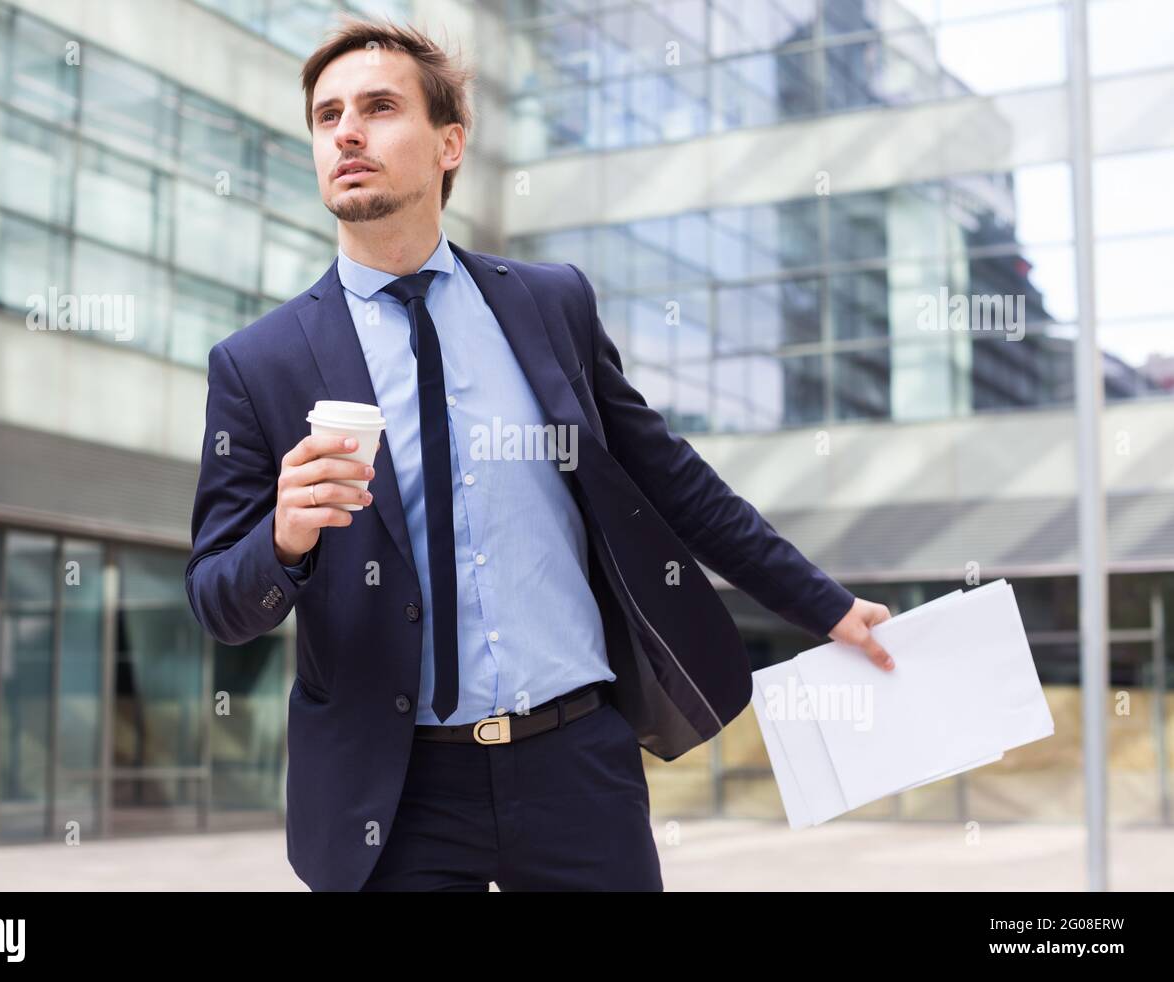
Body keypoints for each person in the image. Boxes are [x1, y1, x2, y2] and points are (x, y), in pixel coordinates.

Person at [185, 17, 893, 892]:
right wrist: (284, 543)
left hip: (577, 771)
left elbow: (674, 483)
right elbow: (218, 600)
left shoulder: (549, 308)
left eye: (378, 107)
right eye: (328, 117)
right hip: (393, 798)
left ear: (451, 142)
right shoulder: (260, 365)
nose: (349, 133)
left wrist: (824, 605)